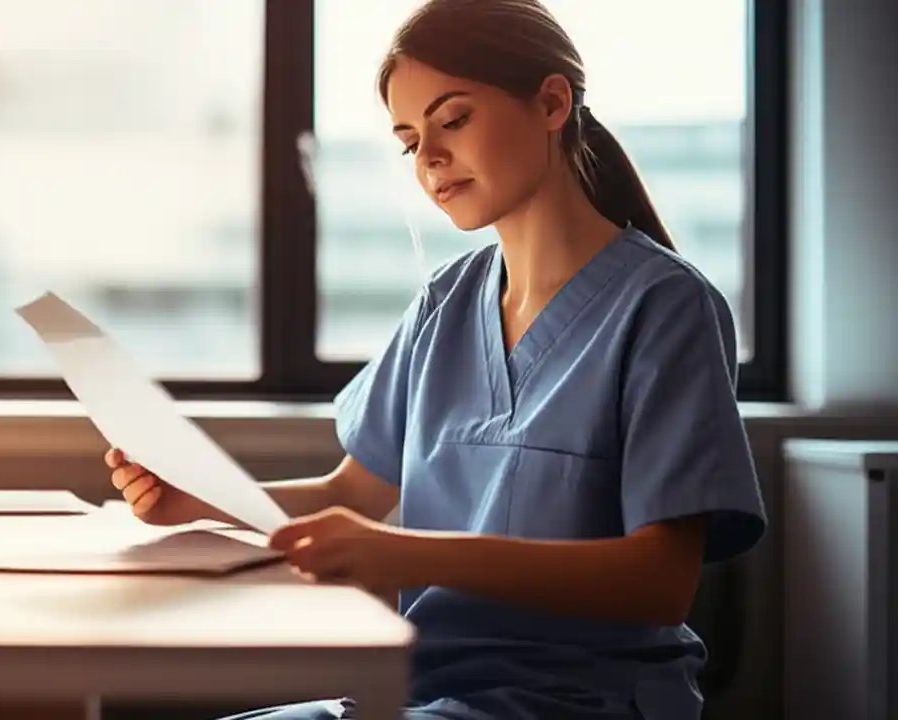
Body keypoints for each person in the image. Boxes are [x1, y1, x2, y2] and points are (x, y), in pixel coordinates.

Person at [105, 0, 766, 717]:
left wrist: (406, 555)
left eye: (453, 120)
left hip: (577, 701)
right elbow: (351, 495)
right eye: (408, 139)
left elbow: (660, 582)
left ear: (551, 102)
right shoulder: (445, 304)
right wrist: (194, 497)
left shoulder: (664, 306)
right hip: (416, 693)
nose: (428, 158)